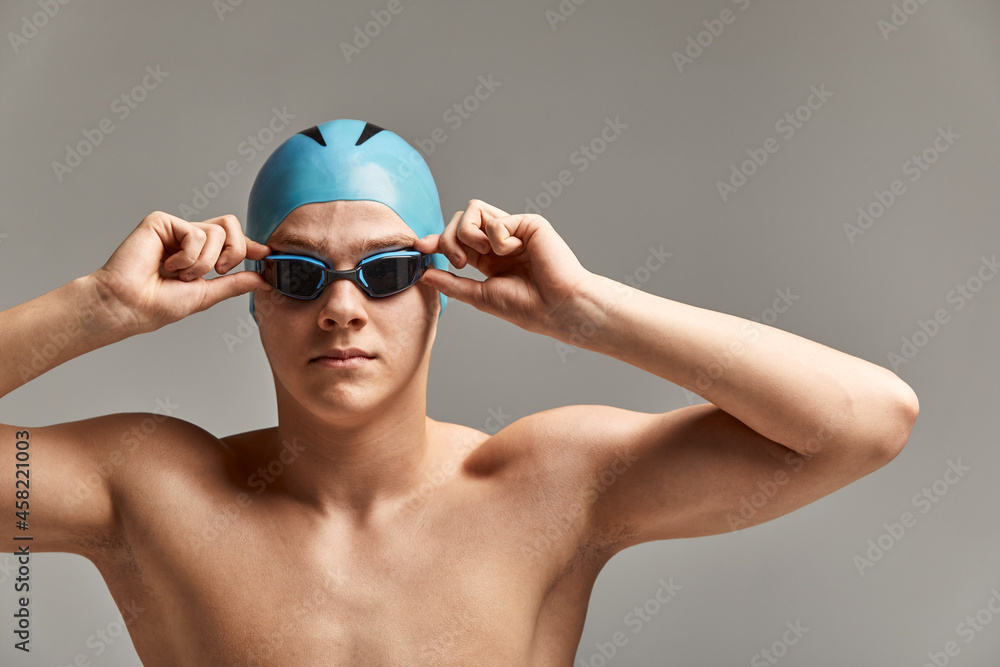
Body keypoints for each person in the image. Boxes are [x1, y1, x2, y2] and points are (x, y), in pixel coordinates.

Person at [1, 119, 918, 666]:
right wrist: (99, 306)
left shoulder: (549, 487)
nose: (343, 308)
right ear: (250, 300)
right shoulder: (153, 491)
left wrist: (589, 308)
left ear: (438, 290)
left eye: (388, 271)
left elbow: (867, 422)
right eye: (297, 275)